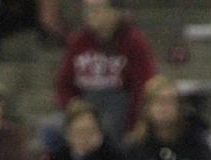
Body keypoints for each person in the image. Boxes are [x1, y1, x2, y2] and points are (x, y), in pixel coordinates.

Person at [55, 0, 157, 140]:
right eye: (87, 10)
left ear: (114, 12)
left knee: (109, 124)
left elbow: (144, 85)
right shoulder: (78, 41)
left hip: (120, 106)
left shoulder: (133, 41)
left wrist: (136, 123)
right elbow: (64, 83)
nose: (90, 15)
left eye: (96, 9)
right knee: (51, 130)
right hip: (85, 103)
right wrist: (70, 103)